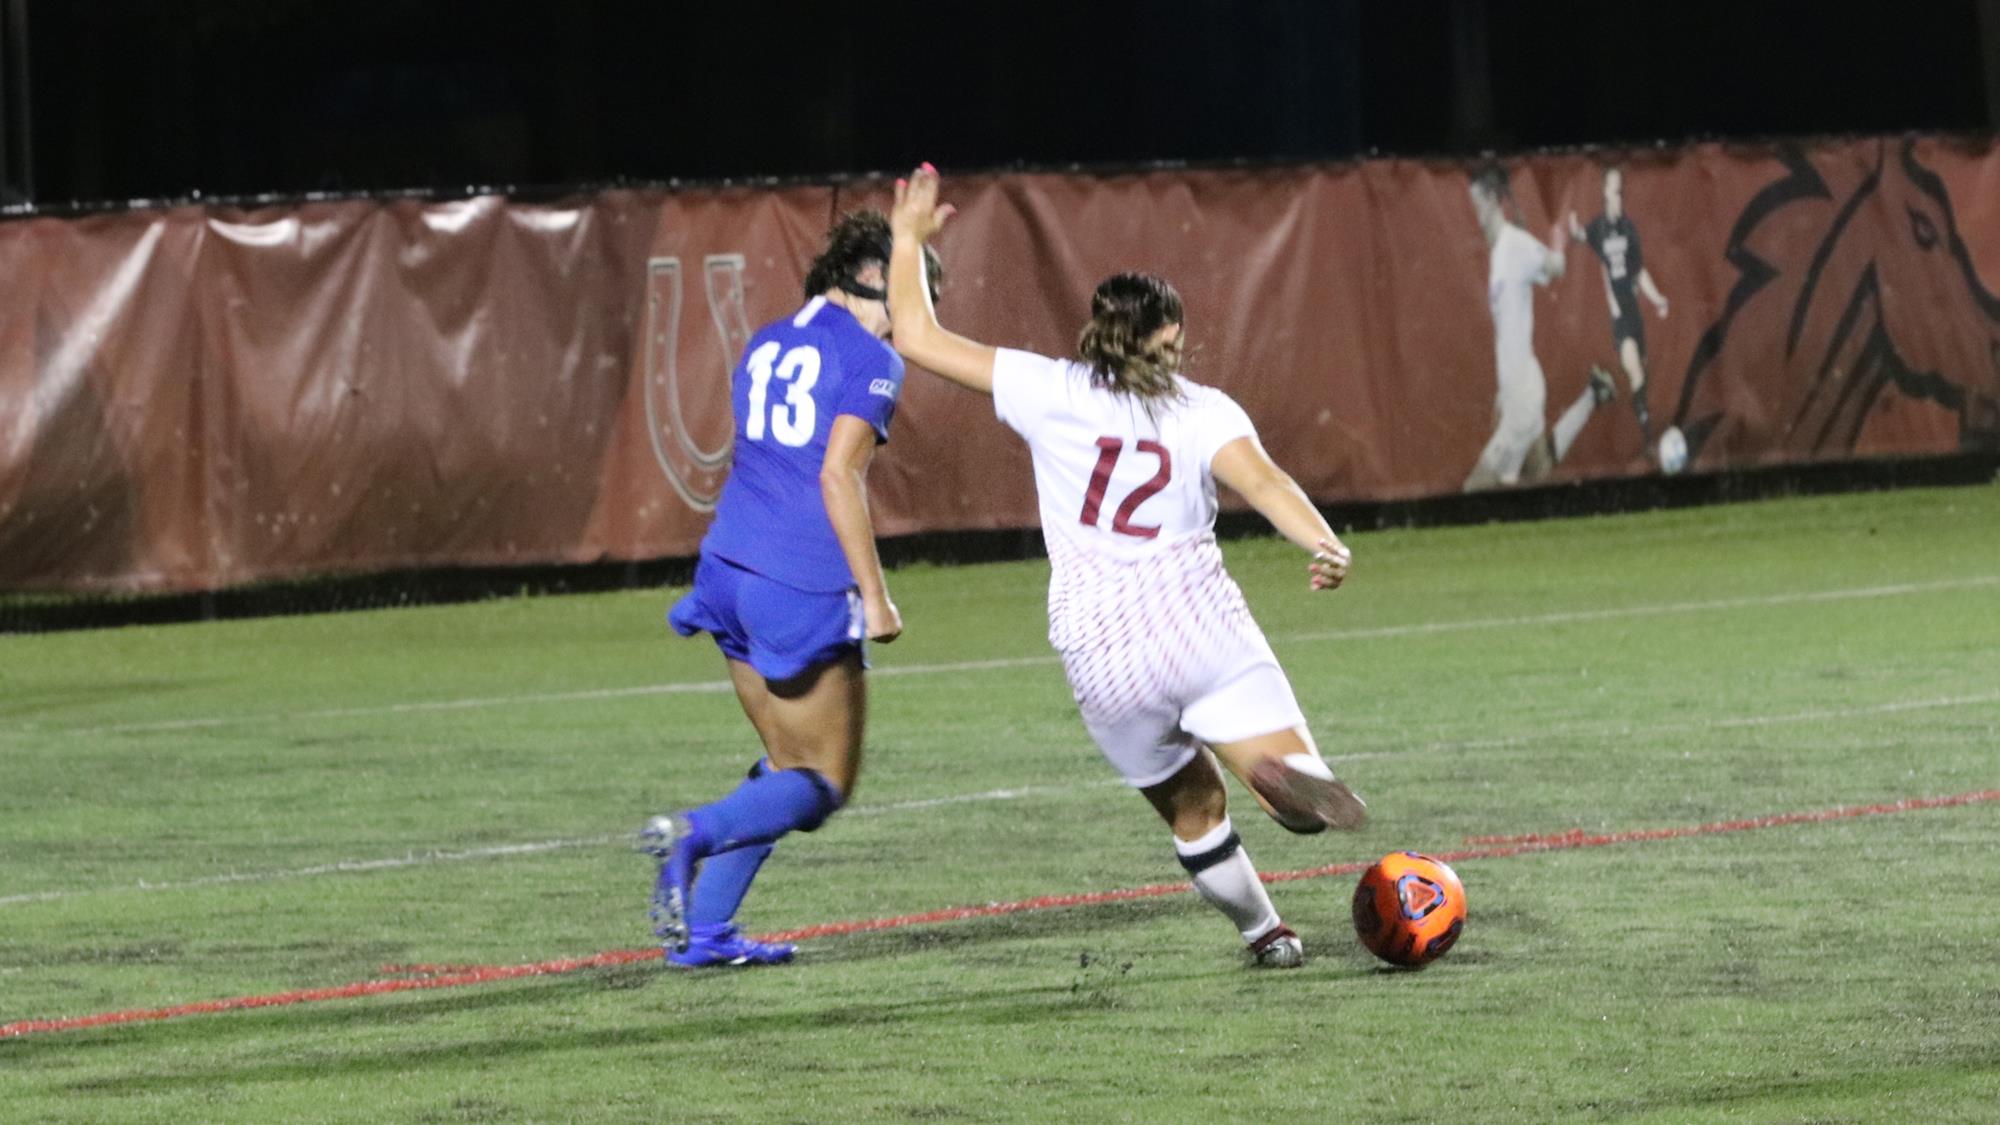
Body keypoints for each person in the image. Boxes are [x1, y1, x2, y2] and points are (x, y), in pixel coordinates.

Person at [886, 163, 1366, 969]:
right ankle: (1285, 778)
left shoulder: (1049, 389)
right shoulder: (1202, 409)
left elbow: (917, 336)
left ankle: (1268, 934)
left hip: (1104, 648)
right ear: (1169, 337)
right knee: (1285, 772)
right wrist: (1323, 542)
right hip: (1198, 624)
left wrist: (907, 238)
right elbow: (1266, 484)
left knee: (1194, 808)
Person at [640, 211, 942, 969]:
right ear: (871, 278)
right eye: (914, 292)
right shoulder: (872, 358)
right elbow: (837, 475)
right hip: (799, 579)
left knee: (783, 760)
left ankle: (705, 933)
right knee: (825, 781)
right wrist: (875, 596)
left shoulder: (767, 340)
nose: (918, 315)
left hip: (726, 566)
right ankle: (691, 835)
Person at [1464, 162, 1616, 491]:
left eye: (1475, 202)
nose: (1472, 212)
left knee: (1475, 489)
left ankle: (1592, 396)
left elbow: (1554, 268)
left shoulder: (1514, 245)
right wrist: (1504, 394)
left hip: (1524, 396)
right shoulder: (1499, 253)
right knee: (1539, 467)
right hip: (1517, 392)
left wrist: (1558, 245)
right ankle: (1592, 397)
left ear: (1491, 200)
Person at [1567, 166, 1671, 451]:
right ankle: (1649, 442)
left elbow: (1640, 272)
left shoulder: (1629, 229)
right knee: (1635, 372)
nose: (1619, 197)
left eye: (1621, 191)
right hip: (1620, 319)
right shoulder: (1598, 229)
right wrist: (1573, 229)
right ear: (1604, 192)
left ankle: (1644, 427)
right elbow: (1580, 235)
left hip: (1635, 315)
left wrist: (1658, 299)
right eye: (1614, 191)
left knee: (1642, 376)